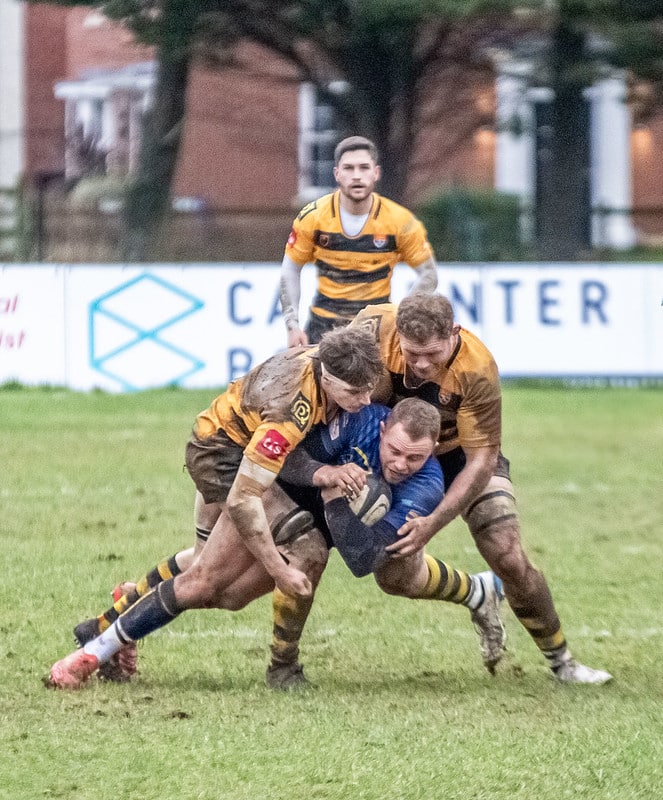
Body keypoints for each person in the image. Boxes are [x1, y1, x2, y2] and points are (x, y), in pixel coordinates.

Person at [47, 398, 505, 689]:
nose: (402, 465)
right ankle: (94, 650)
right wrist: (326, 475)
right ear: (385, 429)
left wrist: (337, 503)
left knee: (225, 593)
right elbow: (286, 461)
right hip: (258, 483)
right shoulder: (360, 420)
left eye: (416, 458)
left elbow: (365, 560)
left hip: (305, 515)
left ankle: (119, 612)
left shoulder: (424, 487)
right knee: (211, 576)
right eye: (396, 452)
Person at [48, 325, 383, 687]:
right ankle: (91, 653)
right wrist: (280, 570)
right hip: (222, 457)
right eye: (354, 392)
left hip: (218, 435)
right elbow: (244, 498)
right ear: (327, 376)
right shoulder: (293, 409)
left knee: (213, 576)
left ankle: (107, 619)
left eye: (369, 388)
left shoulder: (325, 358)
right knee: (278, 557)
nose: (365, 400)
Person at [343, 293, 612, 684]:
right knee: (392, 574)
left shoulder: (478, 368)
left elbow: (483, 460)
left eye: (432, 354)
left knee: (505, 552)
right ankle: (476, 593)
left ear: (454, 333)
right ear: (397, 332)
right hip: (392, 455)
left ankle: (563, 662)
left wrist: (432, 523)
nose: (420, 365)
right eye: (411, 352)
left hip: (460, 456)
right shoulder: (370, 328)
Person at [279, 135, 438, 348]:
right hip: (323, 328)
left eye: (364, 168)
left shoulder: (401, 221)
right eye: (348, 168)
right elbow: (290, 269)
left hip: (378, 328)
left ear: (376, 173)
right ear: (337, 174)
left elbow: (429, 274)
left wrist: (402, 316)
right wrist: (293, 326)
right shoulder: (312, 217)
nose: (356, 176)